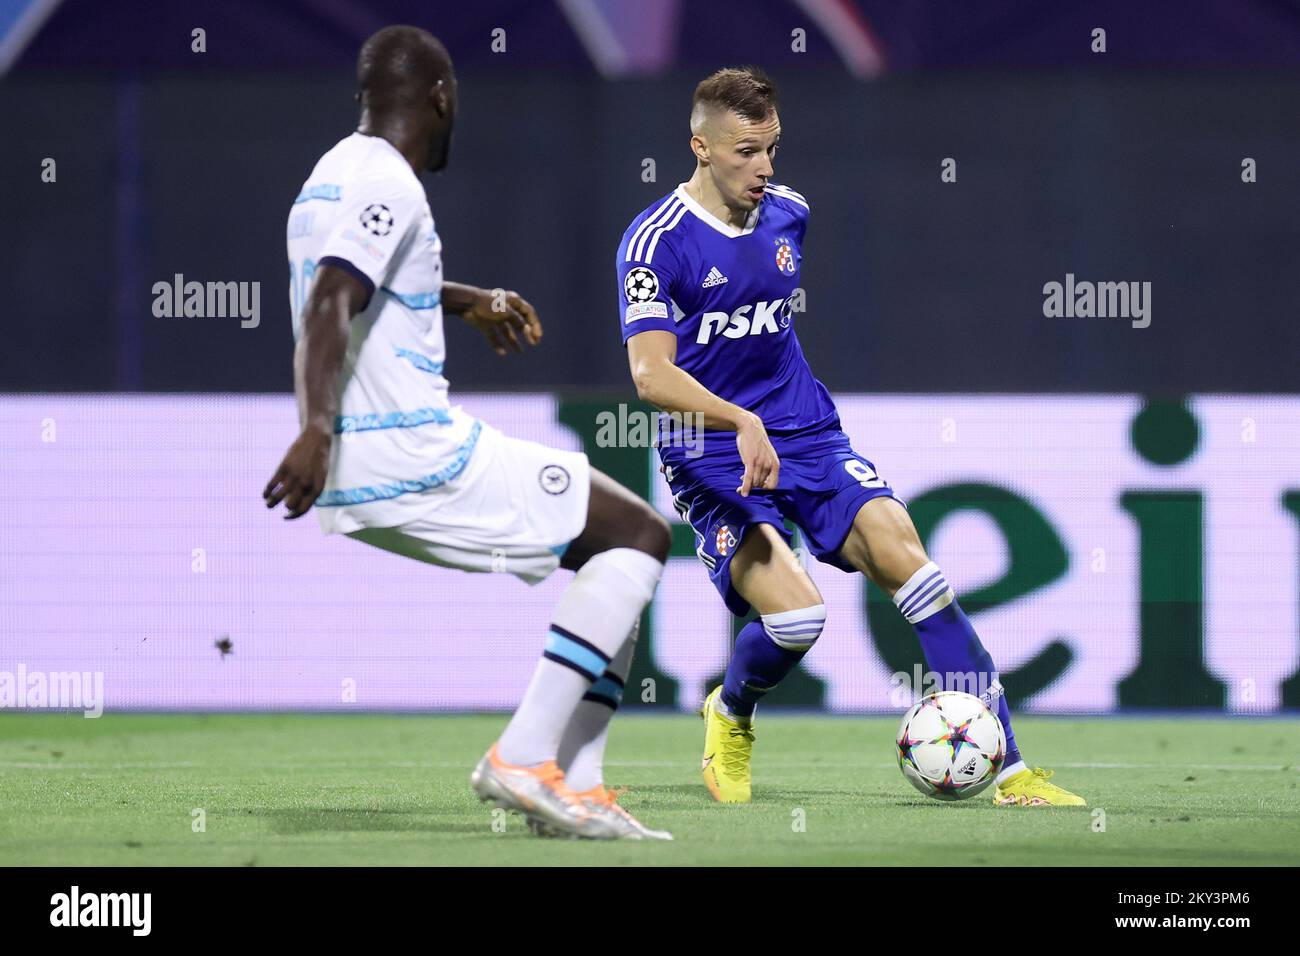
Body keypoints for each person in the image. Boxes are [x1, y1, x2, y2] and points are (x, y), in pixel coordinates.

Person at [616, 66, 1085, 808]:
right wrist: (741, 419)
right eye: (745, 151)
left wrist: (772, 418)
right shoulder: (656, 243)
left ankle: (1010, 771)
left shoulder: (787, 213)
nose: (764, 168)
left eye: (772, 148)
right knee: (798, 617)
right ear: (700, 147)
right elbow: (649, 377)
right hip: (709, 451)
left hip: (807, 432)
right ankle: (731, 711)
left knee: (916, 570)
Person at [266, 24, 673, 839]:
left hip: (369, 468)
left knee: (611, 546)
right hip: (414, 454)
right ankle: (527, 758)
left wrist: (463, 298)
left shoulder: (329, 175)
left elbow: (365, 279)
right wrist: (315, 425)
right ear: (442, 98)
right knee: (639, 534)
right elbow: (329, 303)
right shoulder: (392, 186)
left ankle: (571, 786)